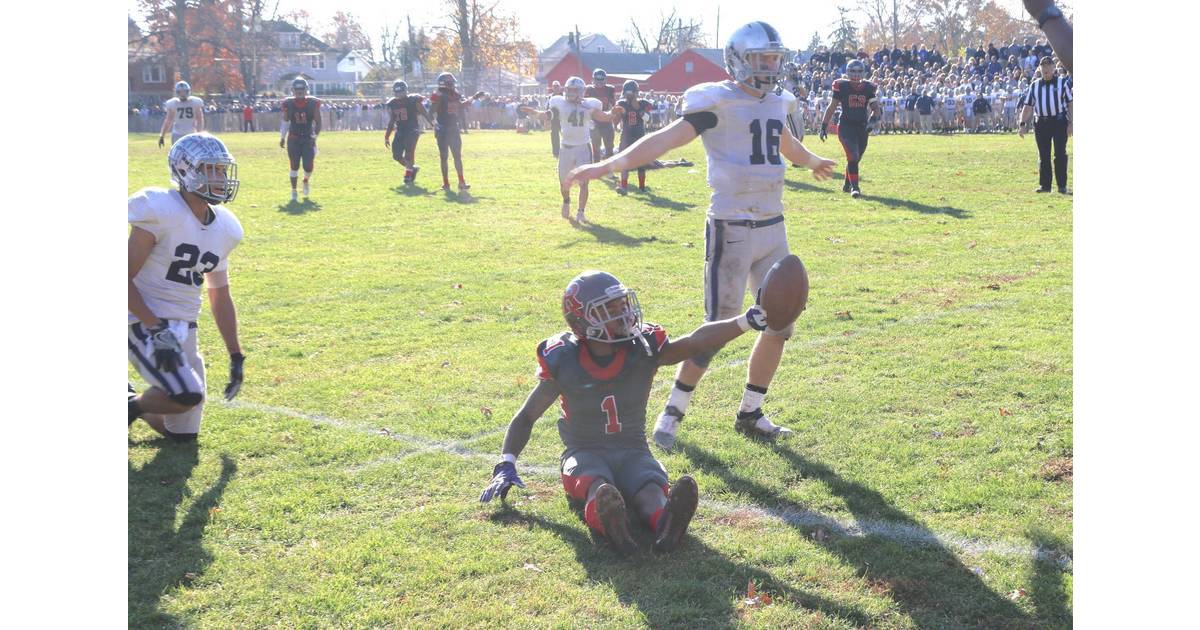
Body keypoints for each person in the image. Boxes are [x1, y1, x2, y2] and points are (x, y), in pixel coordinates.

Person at [567, 21, 836, 450]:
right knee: (717, 327)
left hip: (773, 223)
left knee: (780, 322)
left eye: (774, 59)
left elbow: (784, 142)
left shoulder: (776, 101)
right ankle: (672, 413)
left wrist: (811, 159)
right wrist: (606, 166)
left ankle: (751, 411)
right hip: (731, 226)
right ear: (738, 60)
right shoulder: (717, 101)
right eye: (761, 59)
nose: (769, 66)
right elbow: (663, 141)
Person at [478, 270, 772, 556]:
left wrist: (745, 321)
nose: (624, 314)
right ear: (583, 320)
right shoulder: (565, 359)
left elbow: (694, 341)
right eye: (610, 309)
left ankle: (666, 522)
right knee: (596, 484)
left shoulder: (642, 347)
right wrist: (506, 463)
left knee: (649, 485)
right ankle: (611, 525)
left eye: (623, 305)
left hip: (633, 449)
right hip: (584, 452)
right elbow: (527, 416)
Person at [128, 132, 245, 443]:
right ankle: (128, 405)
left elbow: (219, 294)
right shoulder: (159, 209)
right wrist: (154, 327)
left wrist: (236, 354)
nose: (221, 178)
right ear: (185, 170)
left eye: (222, 170)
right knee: (188, 394)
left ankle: (129, 402)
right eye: (211, 169)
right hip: (141, 319)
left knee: (181, 435)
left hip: (185, 327)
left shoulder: (225, 226)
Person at [522, 76, 619, 223]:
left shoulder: (589, 105)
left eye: (574, 90)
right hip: (566, 147)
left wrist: (613, 113)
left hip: (583, 147)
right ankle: (566, 201)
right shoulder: (559, 103)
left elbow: (604, 117)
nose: (571, 93)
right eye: (569, 90)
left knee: (584, 182)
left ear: (581, 92)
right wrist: (535, 113)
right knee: (563, 182)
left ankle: (581, 212)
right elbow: (547, 115)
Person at [820, 59, 881, 197]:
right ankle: (855, 188)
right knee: (852, 155)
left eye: (859, 71)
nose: (856, 74)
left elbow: (876, 109)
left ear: (864, 72)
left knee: (855, 158)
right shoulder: (841, 85)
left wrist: (873, 121)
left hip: (862, 127)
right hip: (846, 126)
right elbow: (832, 106)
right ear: (847, 72)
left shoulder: (868, 87)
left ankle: (848, 184)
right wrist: (824, 125)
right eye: (853, 71)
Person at [1018, 56, 1073, 193]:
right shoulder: (1034, 85)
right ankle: (1045, 186)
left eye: (1049, 65)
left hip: (1059, 122)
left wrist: (1072, 122)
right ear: (1040, 68)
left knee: (1060, 153)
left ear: (1054, 68)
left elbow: (1070, 103)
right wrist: (1023, 123)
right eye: (1043, 66)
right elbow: (1028, 106)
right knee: (1043, 154)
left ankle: (1062, 185)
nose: (1046, 68)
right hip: (1041, 123)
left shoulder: (1062, 83)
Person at [427, 72, 475, 192]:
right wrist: (435, 124)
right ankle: (446, 183)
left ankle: (461, 181)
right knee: (444, 157)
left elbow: (460, 106)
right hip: (444, 129)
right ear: (445, 84)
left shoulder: (454, 95)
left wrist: (473, 98)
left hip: (453, 128)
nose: (453, 85)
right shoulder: (439, 95)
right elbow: (430, 112)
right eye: (451, 83)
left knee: (457, 157)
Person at [279, 78, 322, 202]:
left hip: (308, 138)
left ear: (305, 90)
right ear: (293, 90)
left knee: (308, 166)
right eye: (297, 89)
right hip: (294, 138)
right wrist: (282, 137)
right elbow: (286, 121)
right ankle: (293, 190)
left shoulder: (313, 103)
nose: (299, 92)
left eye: (301, 89)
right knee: (294, 166)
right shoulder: (288, 104)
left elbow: (318, 122)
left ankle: (305, 180)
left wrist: (315, 136)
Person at [610, 80, 655, 195]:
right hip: (626, 137)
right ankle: (624, 187)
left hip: (640, 136)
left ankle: (642, 187)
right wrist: (615, 114)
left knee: (641, 164)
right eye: (627, 93)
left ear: (636, 93)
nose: (628, 96)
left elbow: (648, 120)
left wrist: (639, 110)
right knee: (624, 162)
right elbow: (616, 121)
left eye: (630, 93)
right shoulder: (622, 103)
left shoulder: (643, 103)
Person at [384, 80, 426, 186]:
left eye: (401, 92)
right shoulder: (392, 103)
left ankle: (408, 175)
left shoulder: (412, 100)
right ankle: (412, 168)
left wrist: (433, 124)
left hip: (412, 130)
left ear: (406, 91)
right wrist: (387, 136)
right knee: (396, 156)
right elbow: (391, 121)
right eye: (397, 92)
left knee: (409, 152)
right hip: (400, 131)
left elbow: (424, 112)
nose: (399, 94)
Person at [159, 81, 205, 148]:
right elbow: (168, 121)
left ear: (188, 91)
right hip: (178, 134)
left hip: (191, 134)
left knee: (191, 156)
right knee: (178, 157)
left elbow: (200, 119)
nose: (182, 94)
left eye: (184, 92)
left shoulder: (195, 102)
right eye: (180, 92)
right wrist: (162, 135)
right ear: (177, 92)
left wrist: (199, 133)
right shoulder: (173, 103)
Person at [585, 69, 617, 161]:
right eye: (597, 80)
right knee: (595, 146)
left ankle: (610, 170)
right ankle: (596, 168)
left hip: (606, 119)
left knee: (609, 146)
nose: (599, 82)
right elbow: (585, 106)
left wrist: (612, 116)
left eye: (601, 80)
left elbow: (613, 105)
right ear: (593, 79)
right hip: (594, 121)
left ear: (605, 80)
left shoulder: (610, 89)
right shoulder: (589, 89)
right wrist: (589, 119)